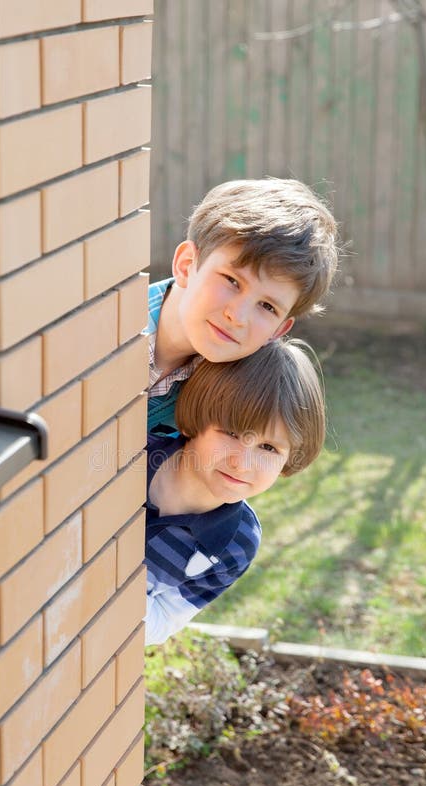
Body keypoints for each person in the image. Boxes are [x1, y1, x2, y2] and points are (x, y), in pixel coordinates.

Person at [145, 338, 325, 645]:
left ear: (288, 459)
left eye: (268, 447)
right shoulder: (132, 457)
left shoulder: (235, 544)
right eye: (231, 433)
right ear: (196, 421)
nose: (241, 463)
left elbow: (163, 622)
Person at [147, 177, 338, 435]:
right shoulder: (101, 323)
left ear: (277, 331)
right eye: (232, 281)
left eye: (268, 307)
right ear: (186, 264)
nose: (237, 316)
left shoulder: (231, 394)